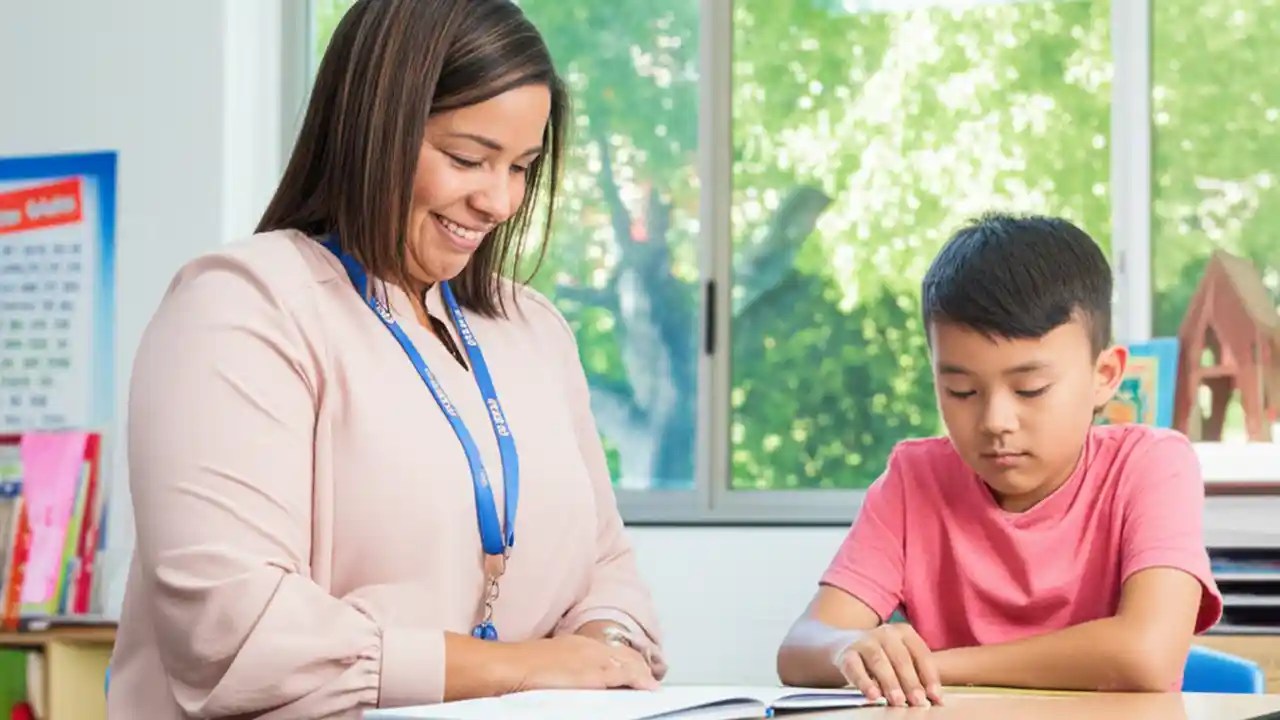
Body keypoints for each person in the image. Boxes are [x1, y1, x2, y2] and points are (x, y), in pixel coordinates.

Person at [107, 1, 665, 717]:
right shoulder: (243, 305)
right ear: (375, 130)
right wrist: (522, 668)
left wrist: (603, 651)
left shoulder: (533, 329)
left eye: (521, 167)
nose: (498, 200)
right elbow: (232, 627)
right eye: (467, 158)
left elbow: (609, 571)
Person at [775, 213, 1223, 706]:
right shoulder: (914, 480)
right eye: (961, 390)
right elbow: (801, 648)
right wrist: (848, 648)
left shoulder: (1152, 465)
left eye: (1030, 389)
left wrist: (933, 667)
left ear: (1105, 374)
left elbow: (1146, 653)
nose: (995, 421)